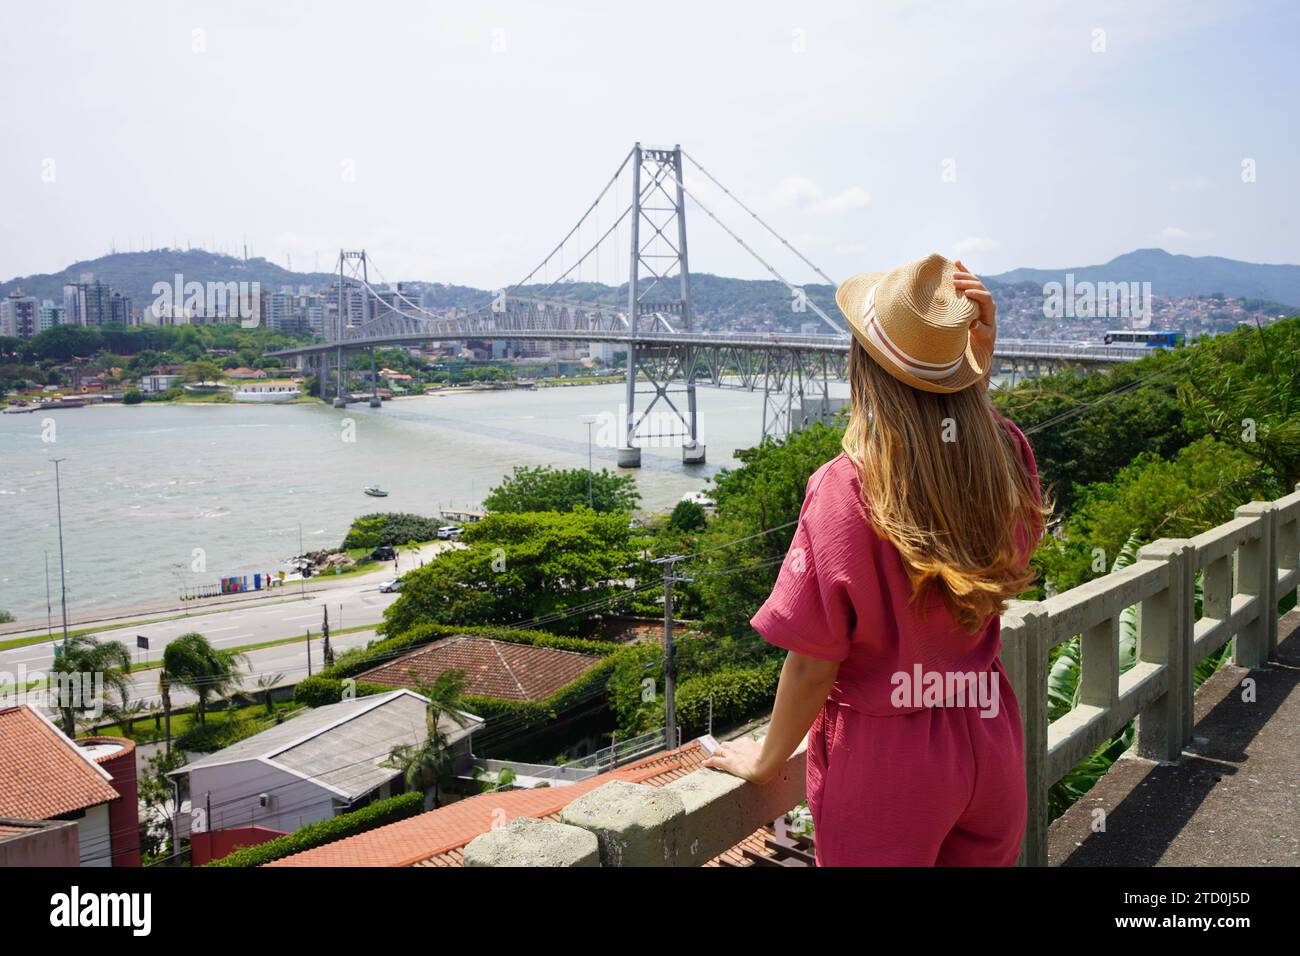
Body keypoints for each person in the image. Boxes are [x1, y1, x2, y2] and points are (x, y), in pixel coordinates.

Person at [704, 254, 1047, 866]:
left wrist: (764, 759)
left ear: (861, 364)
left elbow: (812, 666)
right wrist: (970, 375)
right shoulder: (1006, 456)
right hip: (988, 734)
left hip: (888, 761)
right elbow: (960, 447)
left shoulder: (846, 487)